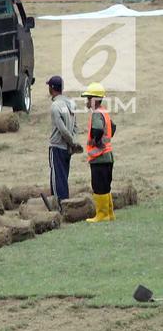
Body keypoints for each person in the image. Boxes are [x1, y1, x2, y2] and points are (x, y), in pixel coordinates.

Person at [82, 82, 116, 222]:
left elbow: (98, 129)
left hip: (99, 157)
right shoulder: (104, 112)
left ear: (94, 99)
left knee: (98, 186)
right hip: (108, 156)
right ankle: (109, 213)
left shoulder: (97, 114)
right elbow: (113, 127)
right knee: (106, 186)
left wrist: (97, 141)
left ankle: (101, 215)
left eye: (89, 98)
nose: (87, 101)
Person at [46, 76, 80, 207]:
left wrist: (71, 142)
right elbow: (75, 126)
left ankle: (59, 206)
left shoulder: (55, 106)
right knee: (64, 177)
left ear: (52, 89)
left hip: (57, 146)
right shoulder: (71, 103)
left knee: (56, 179)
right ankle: (65, 204)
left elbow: (62, 130)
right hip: (68, 149)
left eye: (49, 86)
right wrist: (74, 143)